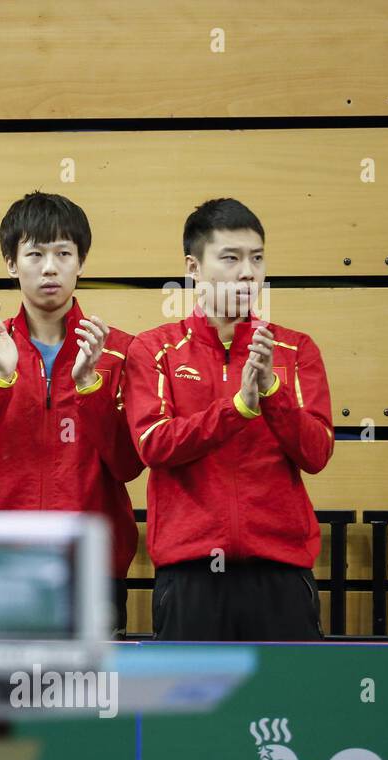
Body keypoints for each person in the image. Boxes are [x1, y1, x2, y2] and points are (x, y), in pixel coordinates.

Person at [124, 198, 333, 641]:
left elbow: (316, 452)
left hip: (281, 570)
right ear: (193, 268)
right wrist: (237, 408)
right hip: (190, 572)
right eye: (231, 258)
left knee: (290, 705)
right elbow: (154, 444)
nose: (247, 273)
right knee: (190, 711)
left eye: (257, 258)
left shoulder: (295, 350)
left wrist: (273, 392)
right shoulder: (153, 349)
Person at [0, 192, 142, 636]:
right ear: (12, 263)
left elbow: (129, 464)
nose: (49, 267)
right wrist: (0, 381)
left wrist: (90, 386)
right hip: (1, 571)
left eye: (63, 253)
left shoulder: (118, 351)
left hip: (92, 569)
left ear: (81, 261)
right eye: (35, 253)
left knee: (82, 705)